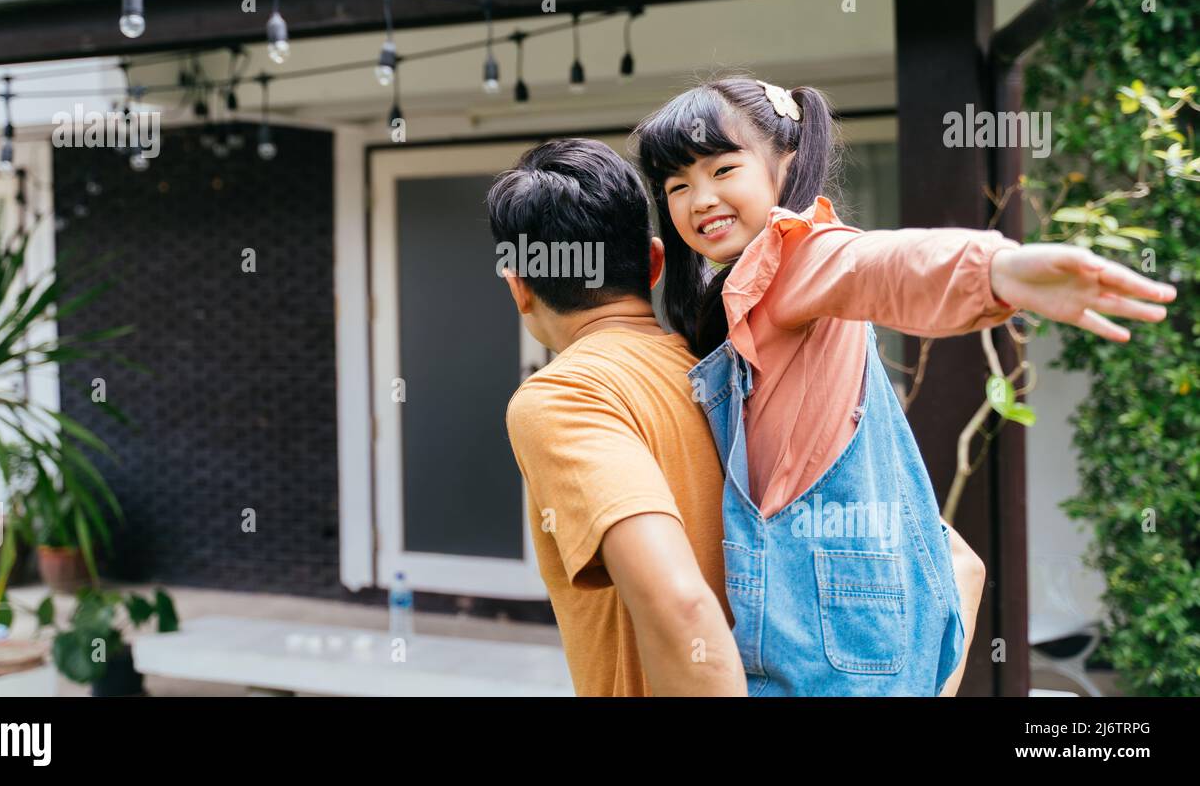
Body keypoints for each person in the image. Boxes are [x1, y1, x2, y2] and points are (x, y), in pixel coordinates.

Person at [634, 75, 1176, 695]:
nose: (700, 198)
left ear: (787, 163)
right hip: (830, 617)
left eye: (723, 169)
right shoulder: (738, 297)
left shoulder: (799, 257)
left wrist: (996, 269)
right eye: (677, 186)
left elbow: (880, 266)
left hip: (817, 633)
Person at [486, 138, 746, 696]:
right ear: (654, 261)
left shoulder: (561, 397)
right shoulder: (717, 363)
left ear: (519, 286)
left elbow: (679, 603)